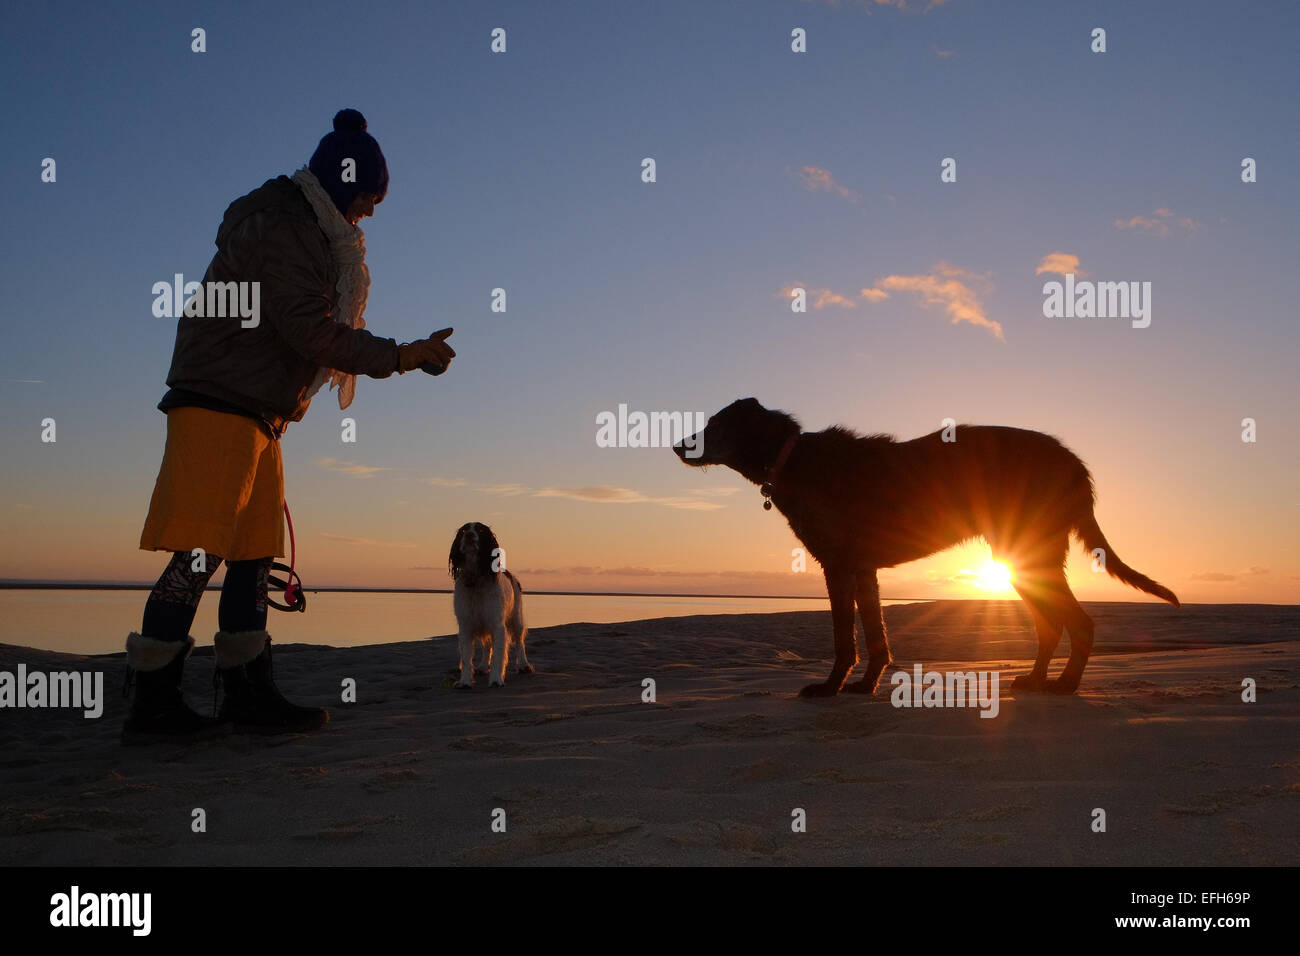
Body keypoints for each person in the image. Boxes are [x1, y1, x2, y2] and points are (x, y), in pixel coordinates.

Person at [123, 109, 455, 745]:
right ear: (339, 186)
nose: (371, 214)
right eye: (367, 198)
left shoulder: (311, 231)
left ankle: (245, 690)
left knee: (253, 553)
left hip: (257, 411)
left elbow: (308, 331)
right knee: (198, 552)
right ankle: (152, 703)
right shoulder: (283, 228)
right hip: (217, 402)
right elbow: (310, 330)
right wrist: (402, 355)